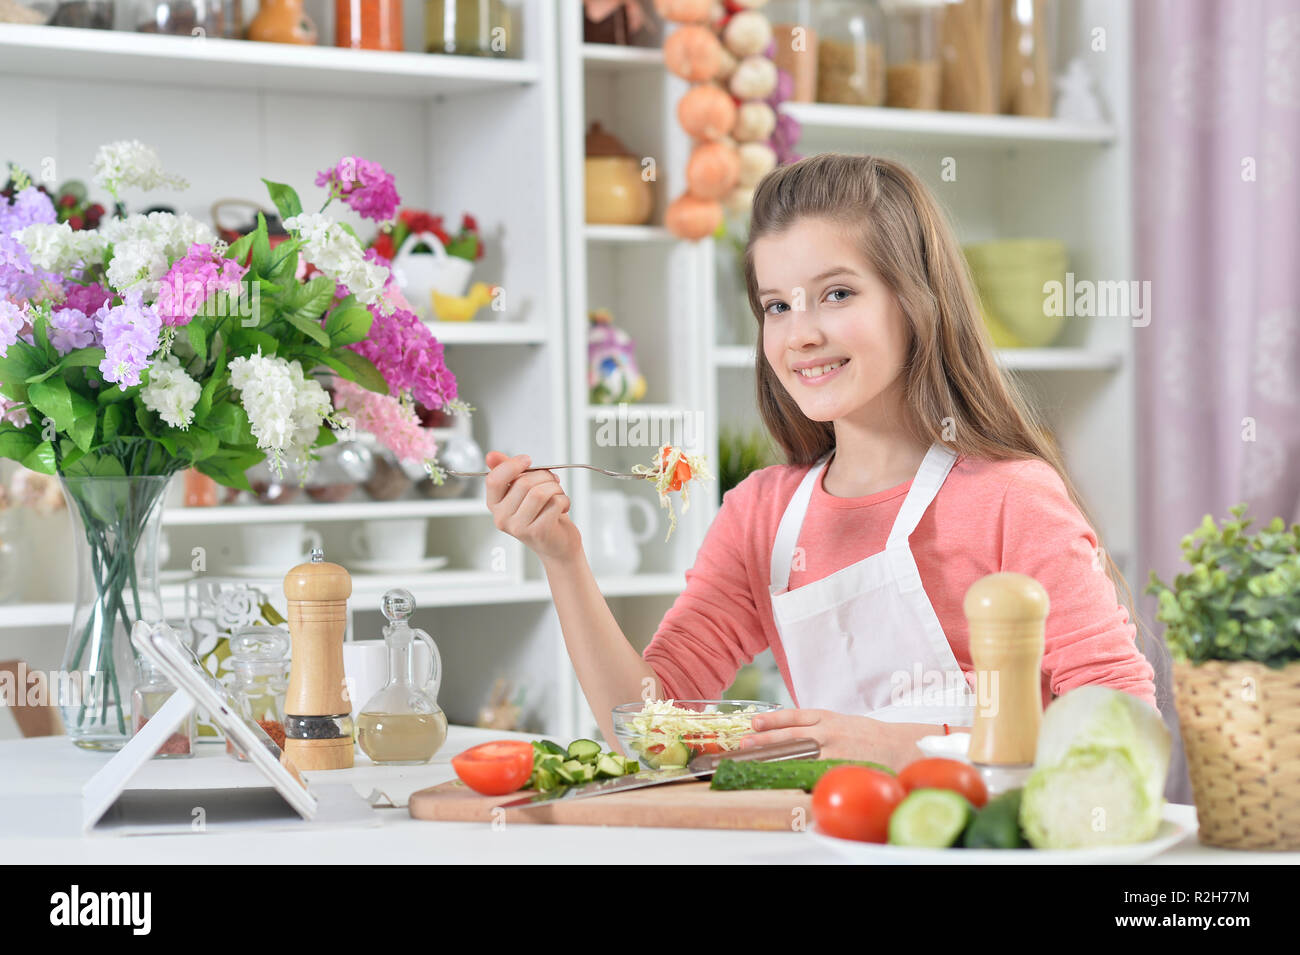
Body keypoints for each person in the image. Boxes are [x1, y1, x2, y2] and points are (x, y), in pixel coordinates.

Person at [484, 153, 1156, 768]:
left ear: (915, 300)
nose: (801, 333)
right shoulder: (761, 514)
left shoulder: (1011, 498)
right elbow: (656, 727)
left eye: (836, 293)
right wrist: (563, 559)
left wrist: (897, 748)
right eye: (777, 305)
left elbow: (1123, 728)